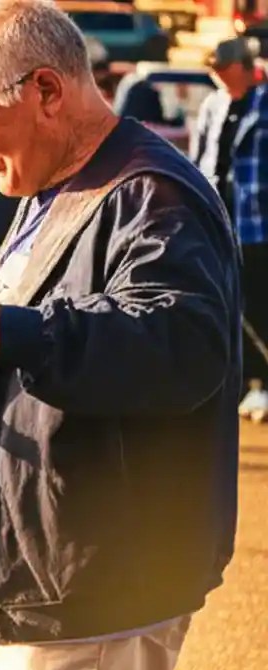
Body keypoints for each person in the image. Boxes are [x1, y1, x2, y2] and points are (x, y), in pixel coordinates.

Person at [0, 0, 242, 670]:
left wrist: (4, 331)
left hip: (97, 587)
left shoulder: (147, 195)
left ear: (45, 90)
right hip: (52, 581)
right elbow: (30, 345)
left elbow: (181, 351)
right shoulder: (57, 182)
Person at [191, 37, 268, 415]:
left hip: (258, 225)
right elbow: (200, 158)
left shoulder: (264, 103)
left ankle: (263, 384)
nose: (216, 74)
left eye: (221, 67)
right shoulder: (212, 105)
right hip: (220, 223)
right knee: (226, 306)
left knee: (258, 306)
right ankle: (245, 383)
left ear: (243, 67)